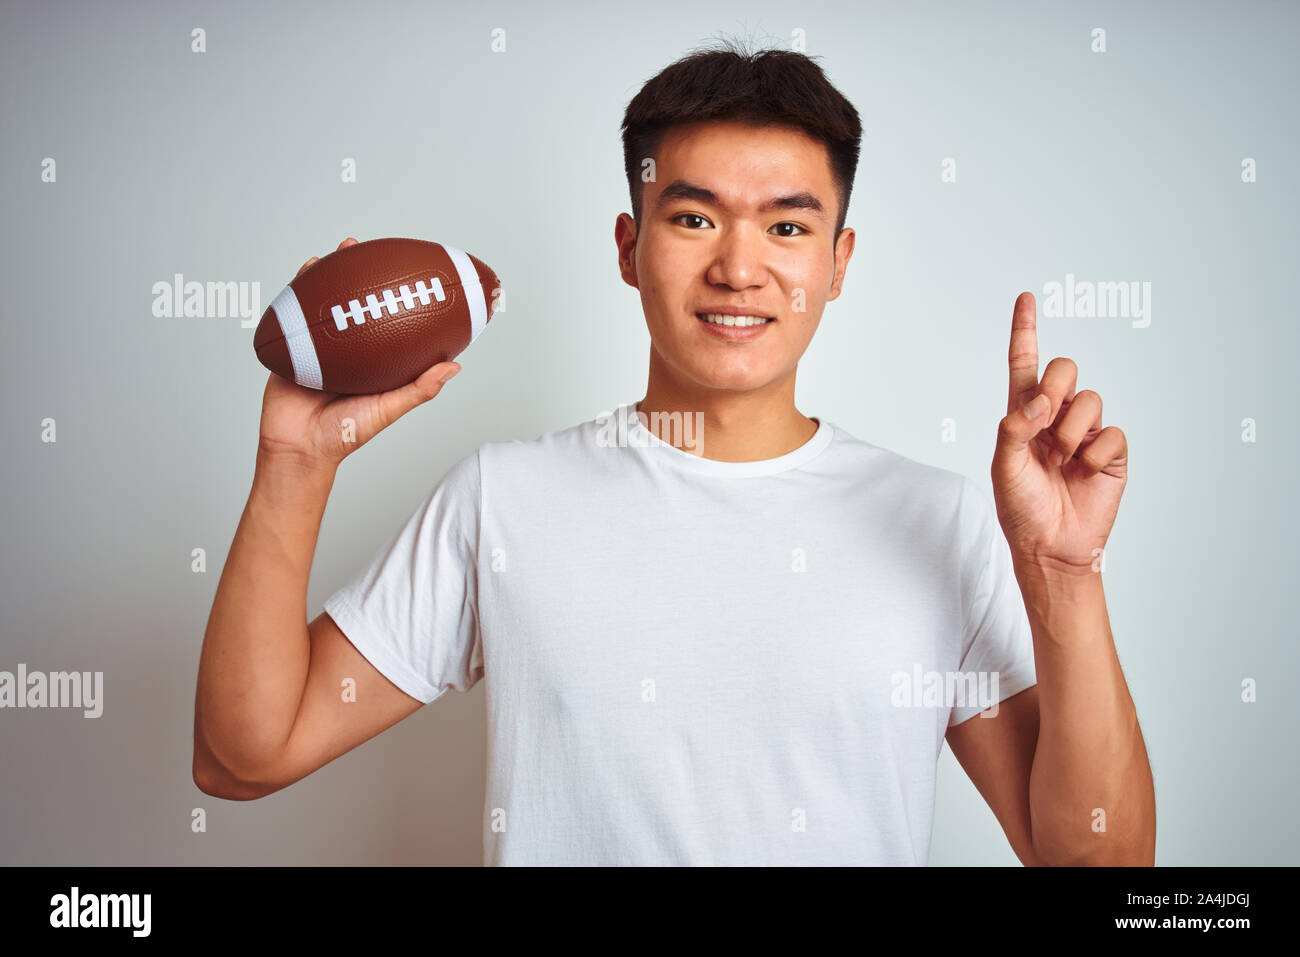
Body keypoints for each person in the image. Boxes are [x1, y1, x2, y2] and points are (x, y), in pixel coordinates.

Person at [193, 40, 1155, 866]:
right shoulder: (505, 501)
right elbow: (241, 757)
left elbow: (1099, 860)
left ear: (838, 263)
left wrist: (1064, 574)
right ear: (629, 245)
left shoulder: (938, 521)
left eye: (787, 226)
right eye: (694, 217)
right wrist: (295, 461)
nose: (739, 267)